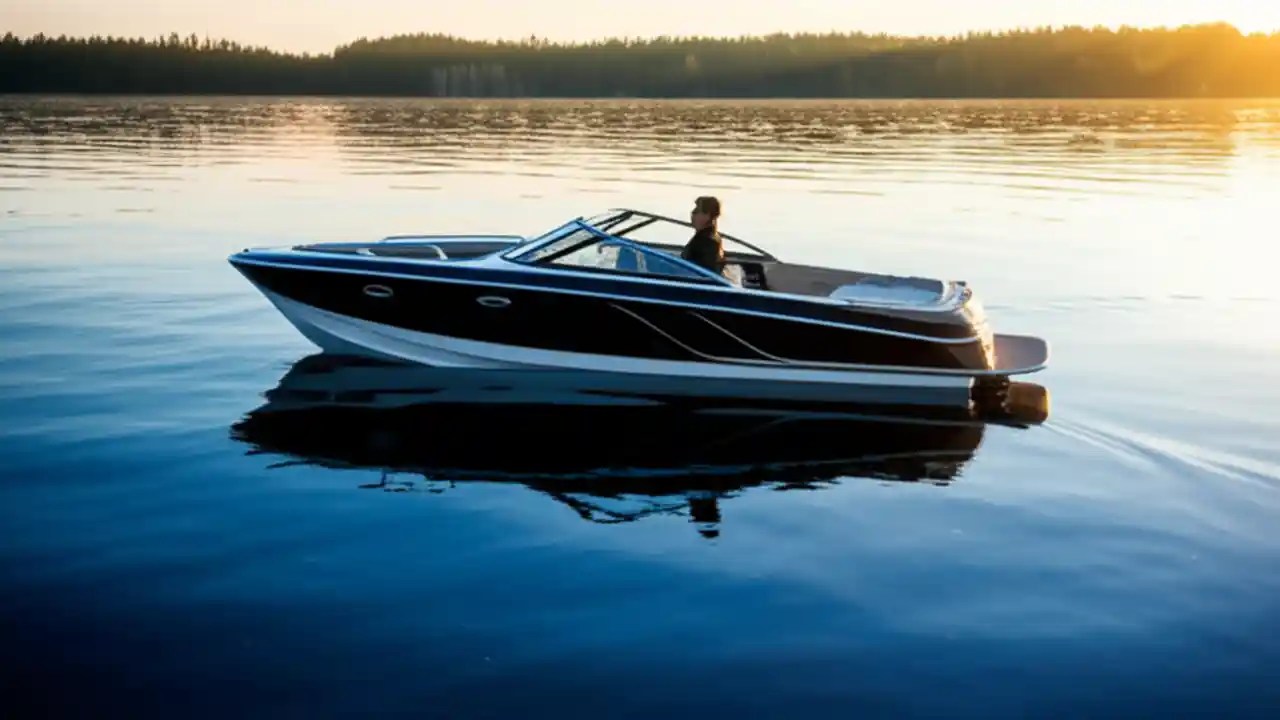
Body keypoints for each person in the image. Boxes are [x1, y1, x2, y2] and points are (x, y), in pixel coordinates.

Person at [682, 196, 724, 275]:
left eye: (697, 210)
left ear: (707, 216)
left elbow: (704, 273)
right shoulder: (709, 237)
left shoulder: (707, 242)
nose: (692, 213)